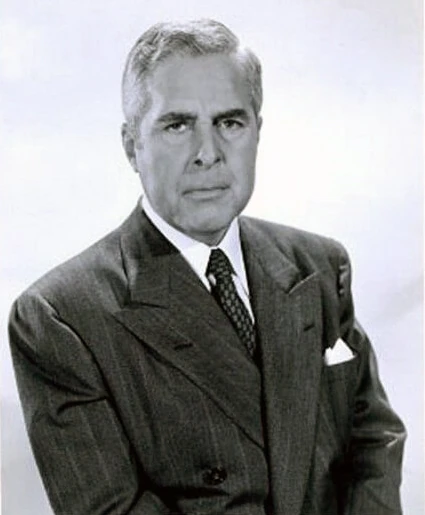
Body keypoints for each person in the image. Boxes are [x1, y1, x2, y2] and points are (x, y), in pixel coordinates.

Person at [8, 19, 406, 515]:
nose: (208, 154)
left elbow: (373, 441)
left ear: (258, 132)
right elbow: (112, 508)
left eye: (229, 122)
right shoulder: (61, 317)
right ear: (131, 146)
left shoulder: (319, 266)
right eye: (178, 125)